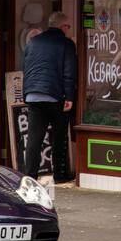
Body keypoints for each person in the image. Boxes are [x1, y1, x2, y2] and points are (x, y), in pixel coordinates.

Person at [22, 10, 77, 184]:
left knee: (34, 138)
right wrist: (69, 96)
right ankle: (60, 175)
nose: (68, 29)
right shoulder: (66, 44)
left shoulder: (33, 42)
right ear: (63, 26)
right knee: (59, 137)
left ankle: (30, 175)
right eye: (68, 26)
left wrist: (27, 91)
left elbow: (26, 68)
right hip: (54, 96)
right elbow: (69, 72)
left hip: (33, 95)